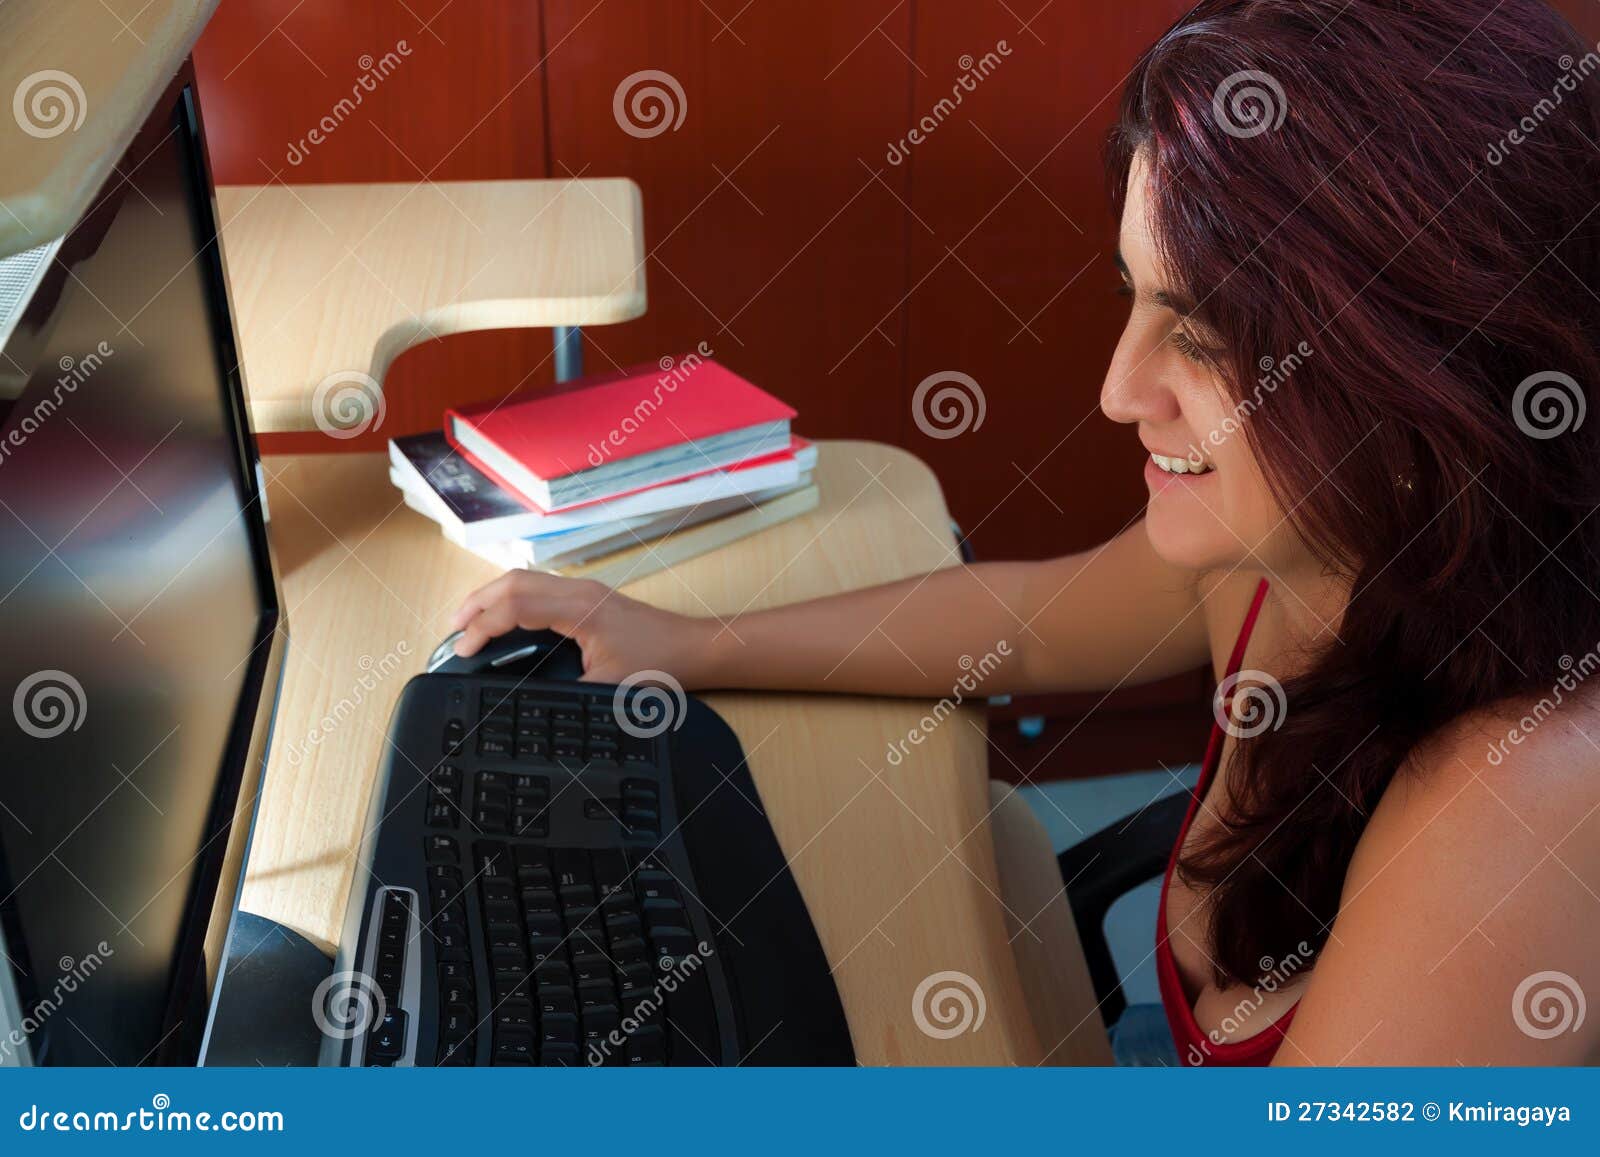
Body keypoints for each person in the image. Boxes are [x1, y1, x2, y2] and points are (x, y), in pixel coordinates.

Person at [451, 0, 1600, 1065]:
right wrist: (684, 641)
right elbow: (1027, 618)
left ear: (1432, 383)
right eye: (1132, 296)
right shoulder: (1289, 545)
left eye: (1203, 337)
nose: (1117, 390)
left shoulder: (1519, 810)